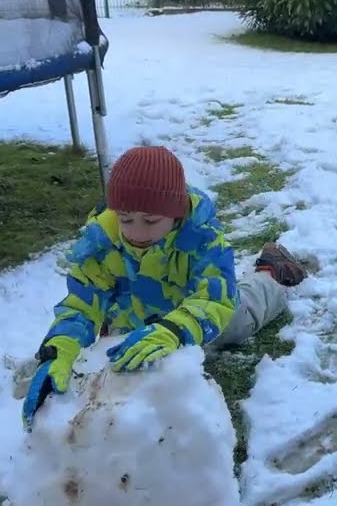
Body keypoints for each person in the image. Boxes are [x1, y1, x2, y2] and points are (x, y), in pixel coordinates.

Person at [20, 145, 308, 429]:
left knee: (239, 319)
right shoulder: (102, 242)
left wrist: (174, 330)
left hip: (192, 313)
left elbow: (214, 298)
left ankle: (270, 272)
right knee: (122, 376)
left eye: (151, 221)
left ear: (176, 212)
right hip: (131, 321)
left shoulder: (201, 236)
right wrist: (61, 348)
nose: (137, 232)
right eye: (126, 219)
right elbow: (82, 303)